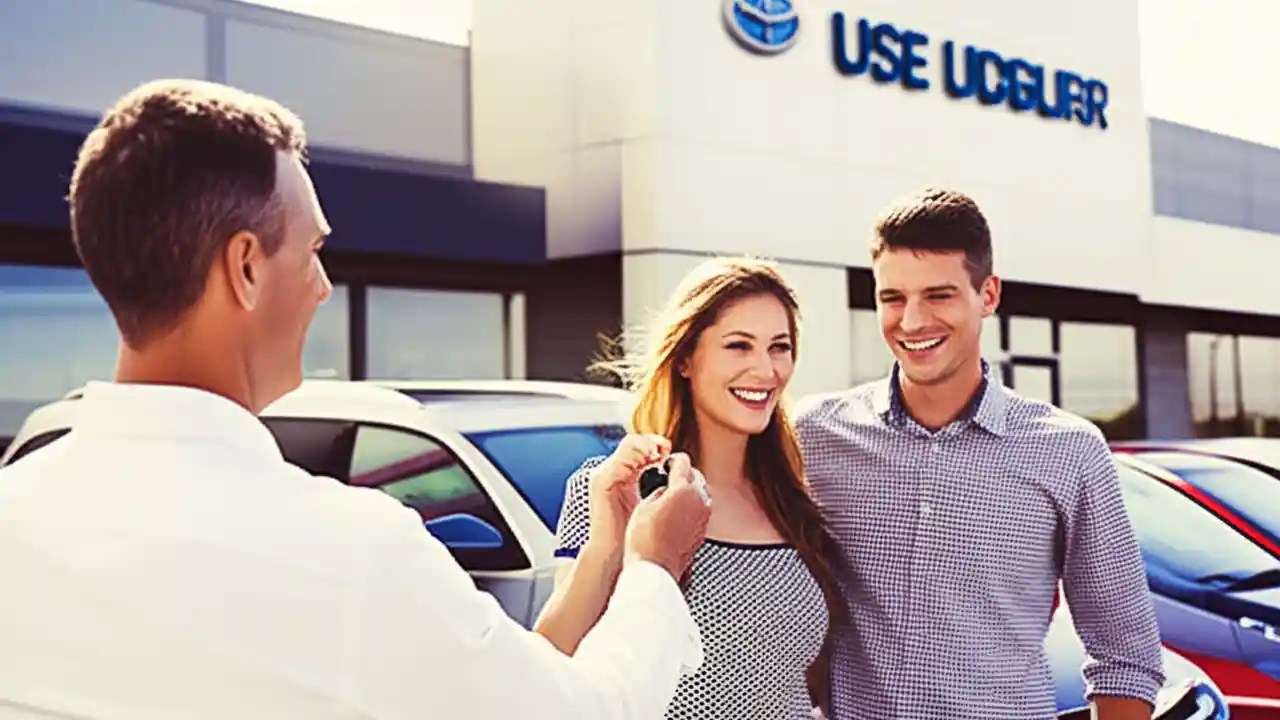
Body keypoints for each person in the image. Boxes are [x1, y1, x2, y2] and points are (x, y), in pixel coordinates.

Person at [0, 78, 712, 719]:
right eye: (312, 250)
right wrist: (655, 567)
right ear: (246, 268)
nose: (323, 286)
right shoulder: (351, 552)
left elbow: (503, 689)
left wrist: (600, 556)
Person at [795, 188, 1166, 720]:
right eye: (892, 297)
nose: (912, 321)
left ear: (988, 295)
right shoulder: (816, 434)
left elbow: (1126, 655)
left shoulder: (1069, 451)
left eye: (939, 295)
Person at [536, 256, 849, 720]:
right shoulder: (617, 490)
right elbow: (549, 666)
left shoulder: (797, 499)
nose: (765, 370)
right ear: (685, 358)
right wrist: (607, 545)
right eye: (739, 346)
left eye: (778, 347)